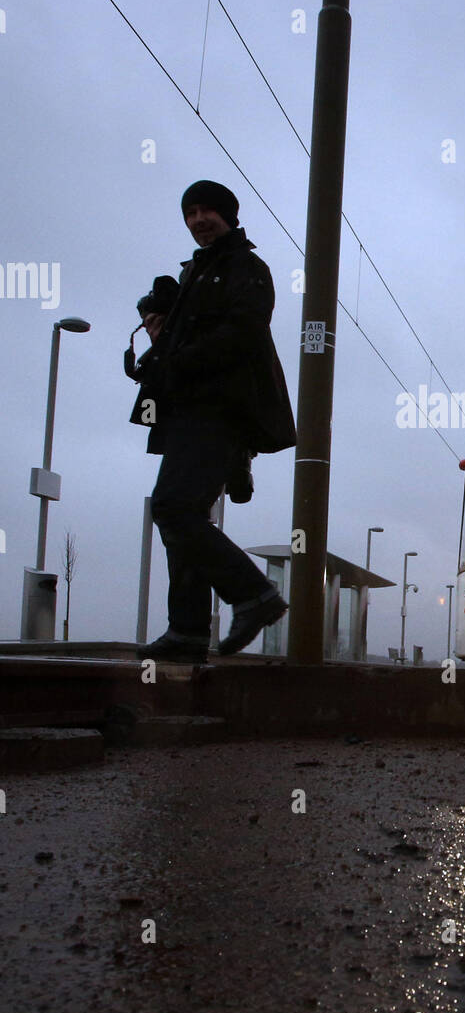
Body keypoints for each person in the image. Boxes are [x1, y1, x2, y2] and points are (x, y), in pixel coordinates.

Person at [125, 180, 296, 662]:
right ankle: (188, 629)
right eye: (191, 212)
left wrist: (177, 359)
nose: (199, 219)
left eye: (207, 211)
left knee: (173, 508)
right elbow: (187, 347)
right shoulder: (195, 274)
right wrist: (162, 333)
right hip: (188, 409)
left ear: (229, 215)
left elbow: (241, 335)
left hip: (220, 409)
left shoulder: (247, 268)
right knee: (183, 515)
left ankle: (253, 595)